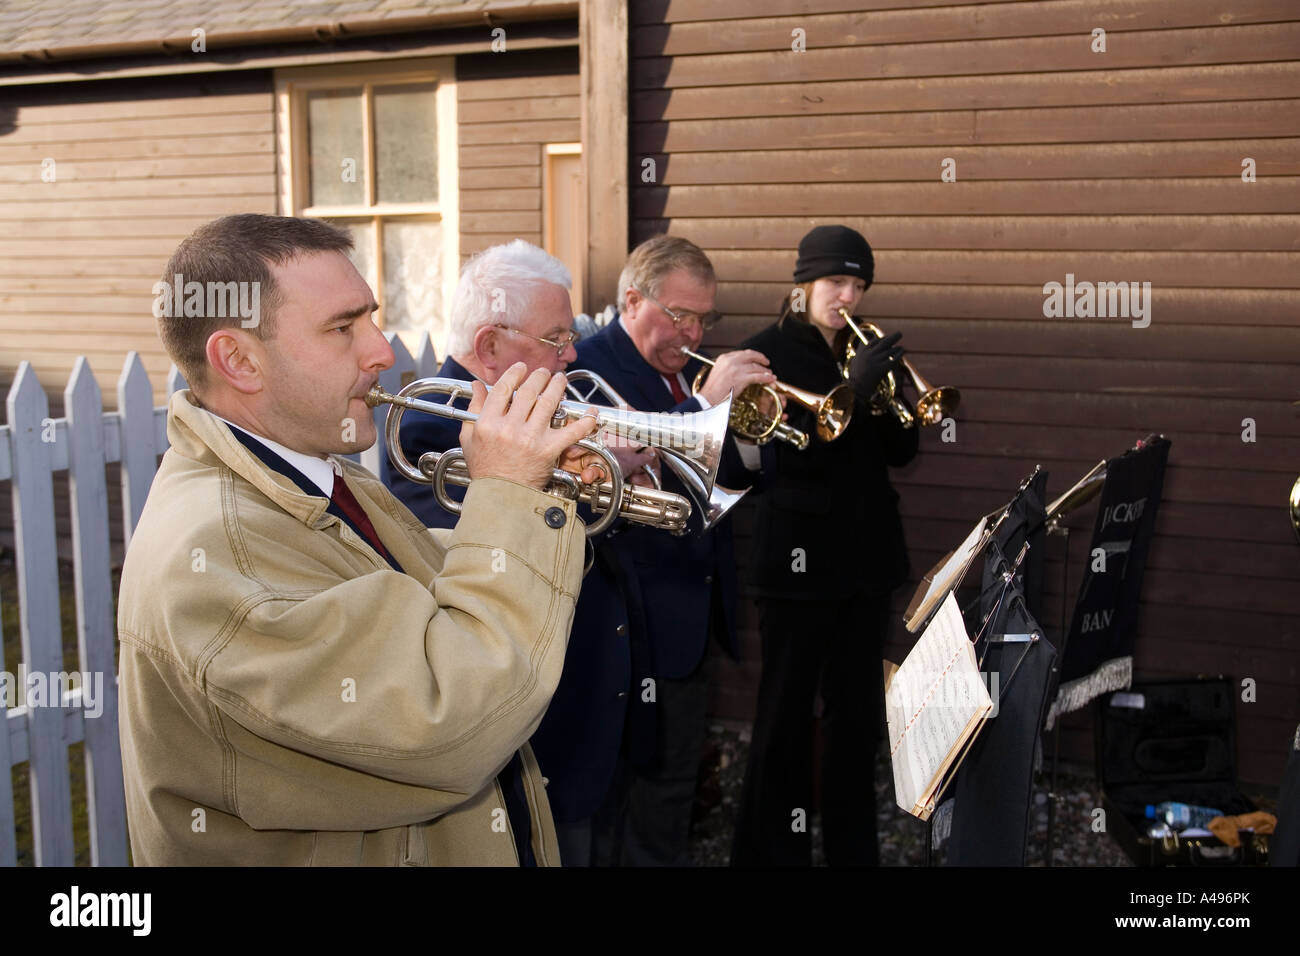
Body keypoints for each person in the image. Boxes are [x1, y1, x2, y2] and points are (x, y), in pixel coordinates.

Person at [117, 214, 604, 866]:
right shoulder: (219, 558)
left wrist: (541, 498)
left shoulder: (312, 472)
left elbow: (431, 597)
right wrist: (509, 498)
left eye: (372, 319)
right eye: (343, 328)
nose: (381, 350)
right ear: (238, 360)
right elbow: (459, 718)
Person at [380, 240, 653, 865]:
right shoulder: (428, 429)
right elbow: (475, 568)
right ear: (490, 348)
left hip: (590, 715)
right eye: (556, 338)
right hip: (531, 744)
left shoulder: (540, 412)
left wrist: (609, 478)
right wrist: (580, 491)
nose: (574, 354)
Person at [571, 235, 774, 866]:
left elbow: (728, 488)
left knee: (669, 795)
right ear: (632, 301)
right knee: (610, 801)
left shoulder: (686, 371)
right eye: (679, 314)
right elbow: (607, 486)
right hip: (625, 624)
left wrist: (744, 431)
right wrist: (701, 407)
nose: (692, 330)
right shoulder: (588, 369)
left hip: (690, 616)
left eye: (703, 317)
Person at [730, 224, 919, 867]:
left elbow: (901, 453)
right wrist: (857, 393)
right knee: (783, 718)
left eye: (859, 284)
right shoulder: (766, 356)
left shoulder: (863, 351)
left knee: (856, 724)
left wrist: (902, 403)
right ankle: (770, 857)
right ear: (803, 283)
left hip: (866, 569)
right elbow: (788, 463)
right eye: (836, 281)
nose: (848, 296)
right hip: (796, 570)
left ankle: (851, 856)